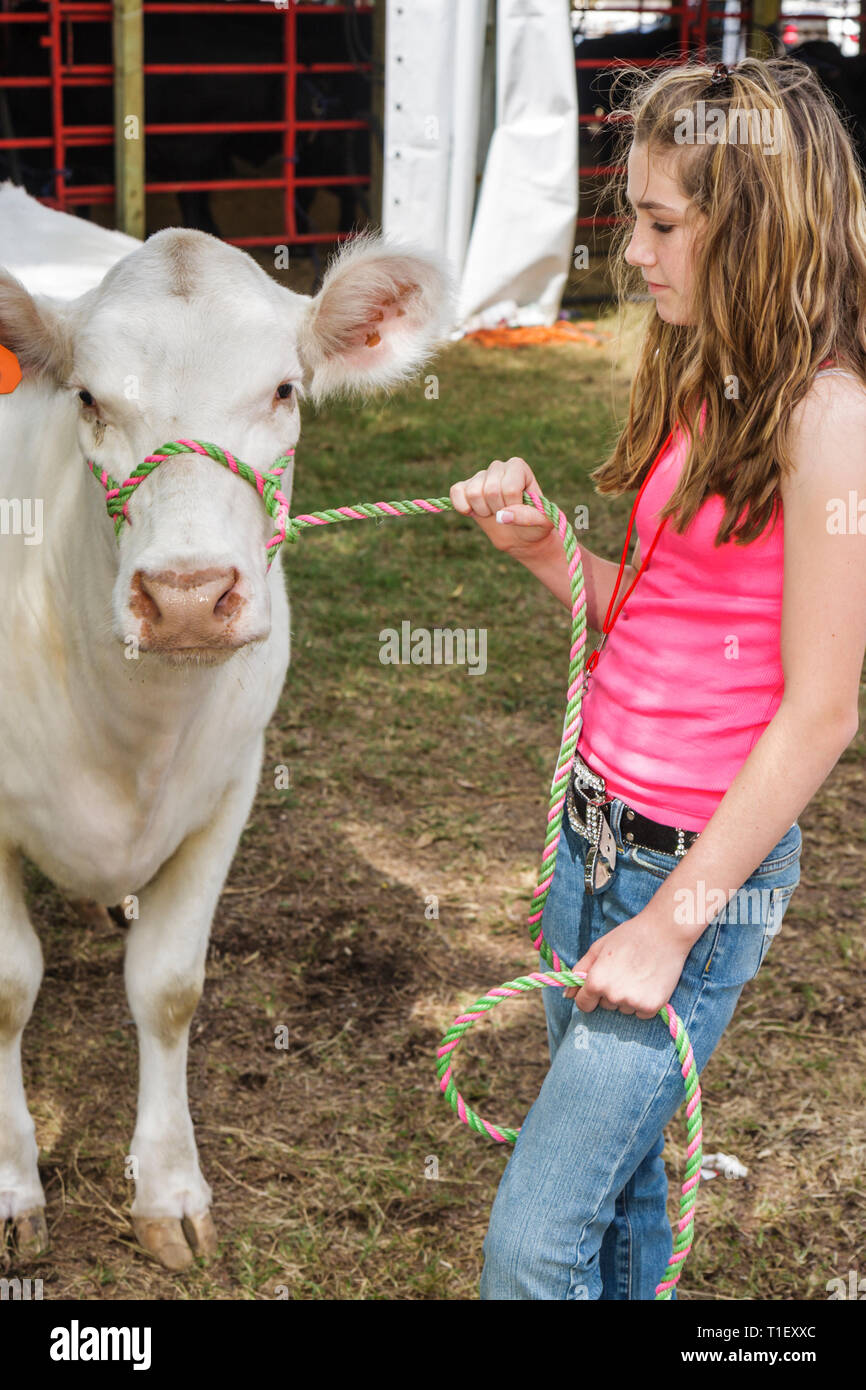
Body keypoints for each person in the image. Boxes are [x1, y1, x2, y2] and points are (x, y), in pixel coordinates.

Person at [449, 57, 866, 1300]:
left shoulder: (826, 415)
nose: (628, 250)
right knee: (621, 1204)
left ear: (751, 227)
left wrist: (671, 917)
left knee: (530, 1251)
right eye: (628, 214)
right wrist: (547, 552)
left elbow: (822, 704)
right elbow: (655, 611)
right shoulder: (697, 369)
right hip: (590, 841)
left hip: (691, 872)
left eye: (658, 222)